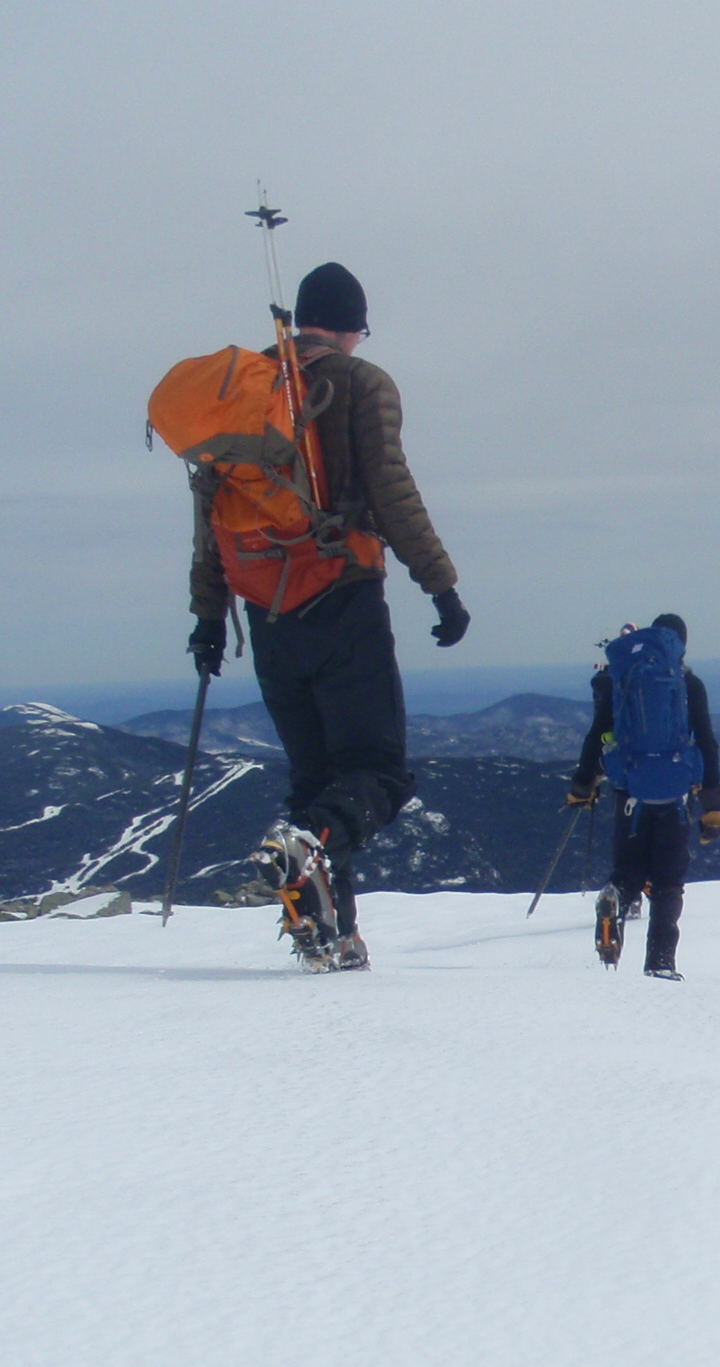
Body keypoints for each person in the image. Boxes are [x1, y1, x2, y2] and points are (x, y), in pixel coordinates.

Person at [184, 261, 468, 969]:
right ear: (350, 326)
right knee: (376, 773)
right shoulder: (360, 383)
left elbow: (208, 522)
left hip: (268, 617)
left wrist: (209, 618)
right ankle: (308, 850)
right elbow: (391, 488)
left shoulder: (242, 400)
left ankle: (331, 937)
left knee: (316, 782)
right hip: (343, 599)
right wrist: (441, 587)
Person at [566, 614, 720, 980]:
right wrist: (713, 806)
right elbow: (707, 741)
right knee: (669, 883)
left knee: (628, 870)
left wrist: (582, 785)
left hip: (630, 792)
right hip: (674, 796)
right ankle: (660, 962)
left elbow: (597, 734)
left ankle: (617, 897)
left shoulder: (621, 680)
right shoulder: (689, 683)